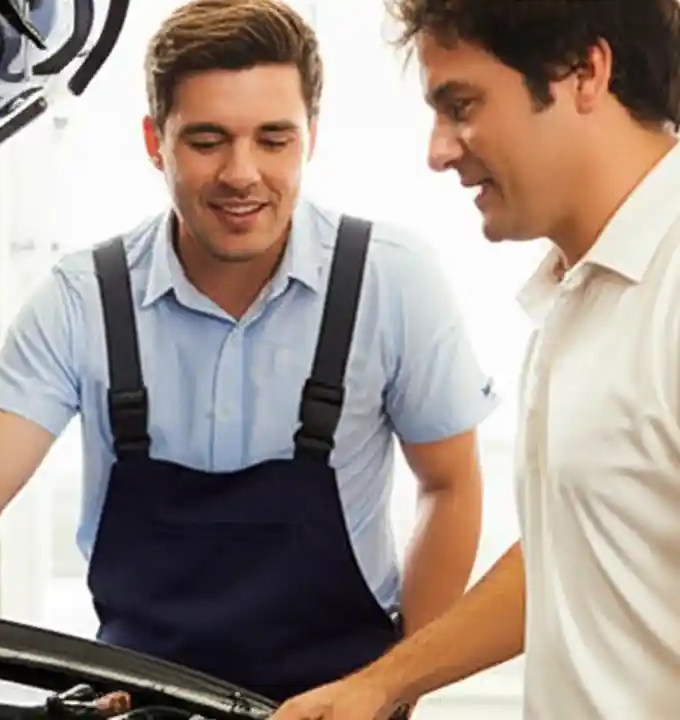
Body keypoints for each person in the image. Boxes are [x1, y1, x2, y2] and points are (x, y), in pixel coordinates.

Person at [0, 1, 498, 718]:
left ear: (310, 139)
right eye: (207, 140)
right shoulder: (83, 299)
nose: (241, 173)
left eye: (273, 139)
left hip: (338, 702)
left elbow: (450, 484)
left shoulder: (391, 281)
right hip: (138, 698)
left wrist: (397, 687)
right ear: (156, 143)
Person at [270, 1, 680, 719]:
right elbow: (576, 549)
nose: (438, 151)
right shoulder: (583, 294)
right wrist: (384, 683)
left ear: (585, 72)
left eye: (461, 106)